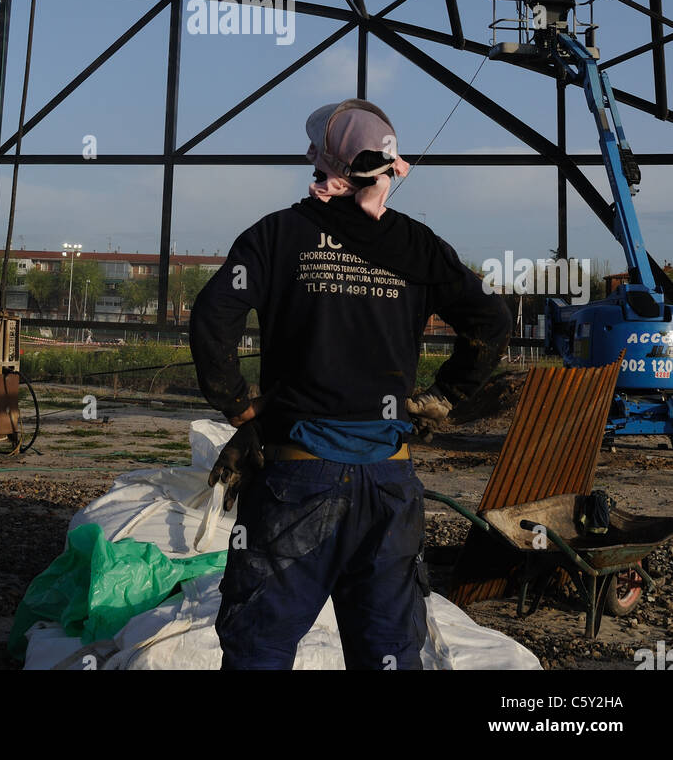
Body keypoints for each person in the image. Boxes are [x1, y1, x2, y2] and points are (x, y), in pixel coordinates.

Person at [189, 98, 512, 671]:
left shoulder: (279, 235)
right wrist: (446, 396)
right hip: (389, 477)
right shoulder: (416, 245)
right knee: (388, 650)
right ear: (387, 167)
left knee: (259, 645)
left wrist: (239, 407)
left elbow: (215, 315)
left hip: (296, 475)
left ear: (323, 165)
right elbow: (490, 320)